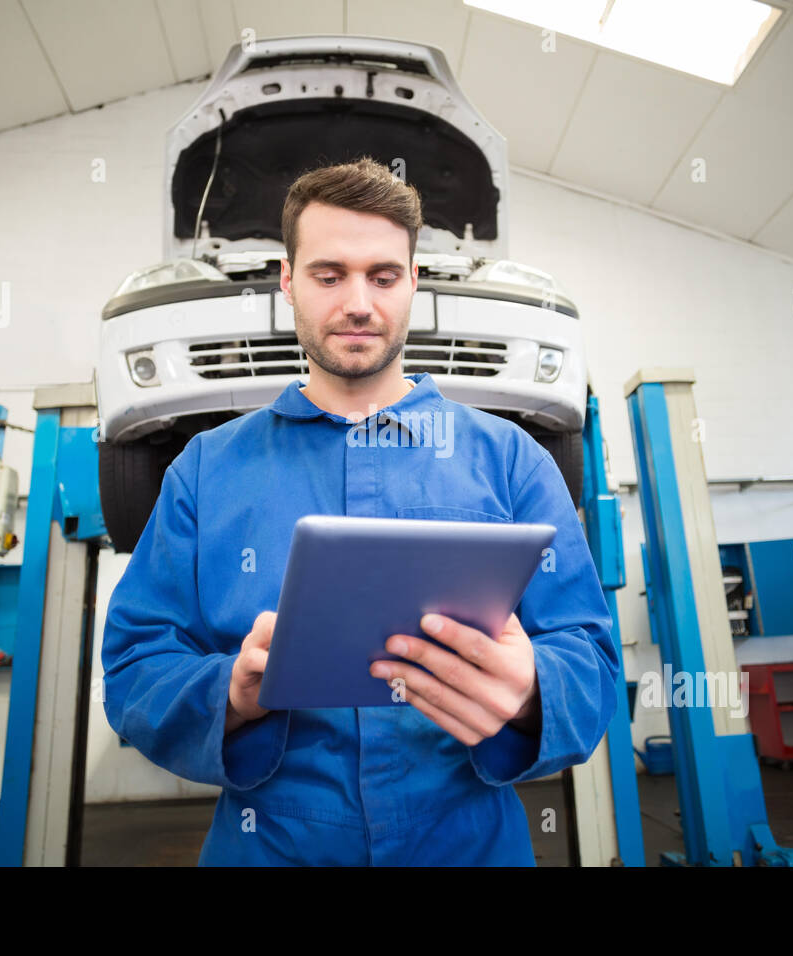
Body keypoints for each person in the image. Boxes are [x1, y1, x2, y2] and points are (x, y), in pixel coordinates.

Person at [101, 156, 620, 866]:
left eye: (382, 276)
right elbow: (135, 668)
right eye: (328, 274)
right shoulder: (205, 471)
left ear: (413, 282)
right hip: (271, 846)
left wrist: (534, 688)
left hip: (469, 844)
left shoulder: (510, 460)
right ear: (287, 281)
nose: (356, 303)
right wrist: (229, 691)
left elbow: (589, 657)